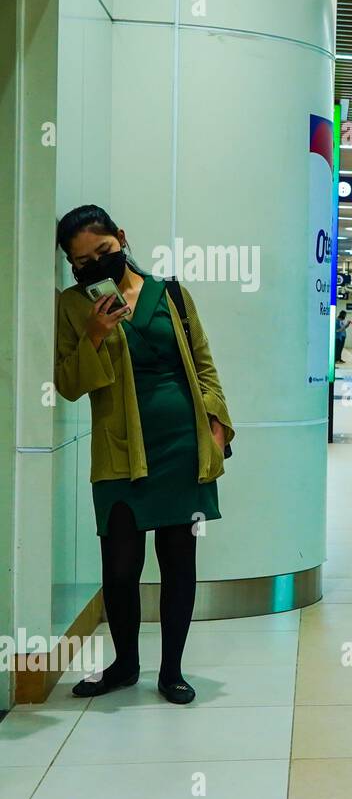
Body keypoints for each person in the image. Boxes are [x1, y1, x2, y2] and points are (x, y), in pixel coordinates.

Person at [54, 205, 234, 705]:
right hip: (118, 452)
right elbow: (68, 385)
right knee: (119, 567)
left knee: (179, 562)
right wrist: (94, 334)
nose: (94, 264)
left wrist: (217, 427)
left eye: (103, 251)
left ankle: (171, 670)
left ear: (122, 238)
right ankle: (125, 664)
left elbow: (203, 363)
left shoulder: (170, 292)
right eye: (82, 261)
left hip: (182, 446)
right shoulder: (71, 307)